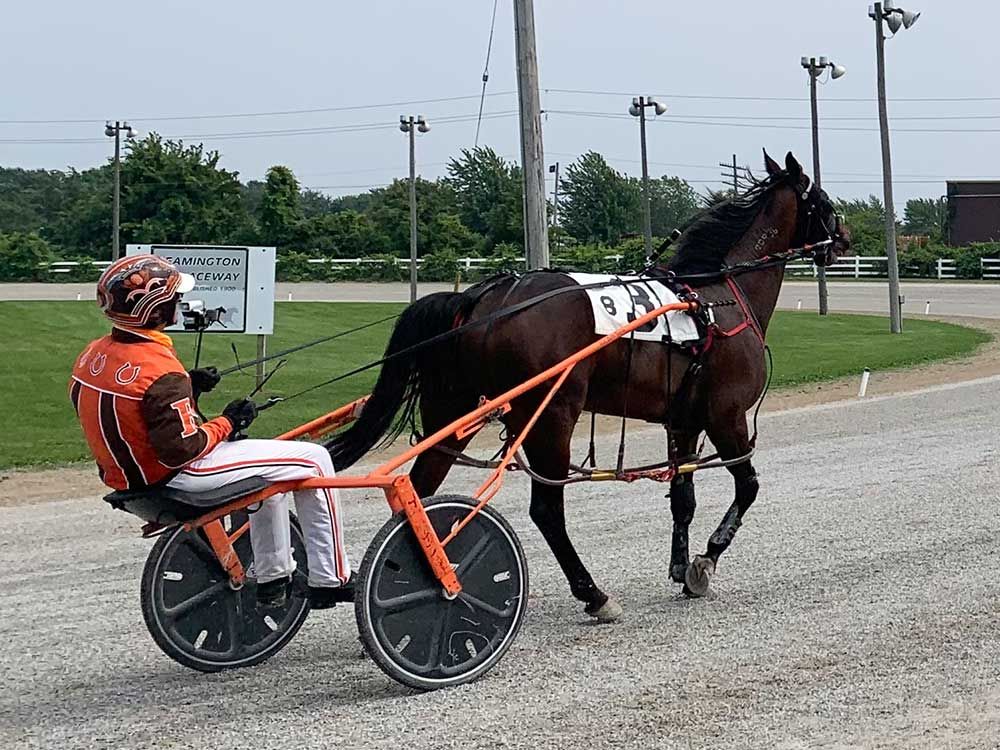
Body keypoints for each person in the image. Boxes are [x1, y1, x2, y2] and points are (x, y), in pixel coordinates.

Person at [70, 254, 352, 609]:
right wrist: (229, 421)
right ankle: (332, 578)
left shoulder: (93, 353)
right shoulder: (159, 370)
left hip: (127, 478)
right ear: (154, 308)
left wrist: (189, 385)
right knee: (314, 458)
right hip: (174, 477)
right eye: (173, 297)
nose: (179, 303)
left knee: (272, 475)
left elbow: (134, 408)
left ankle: (274, 578)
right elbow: (181, 449)